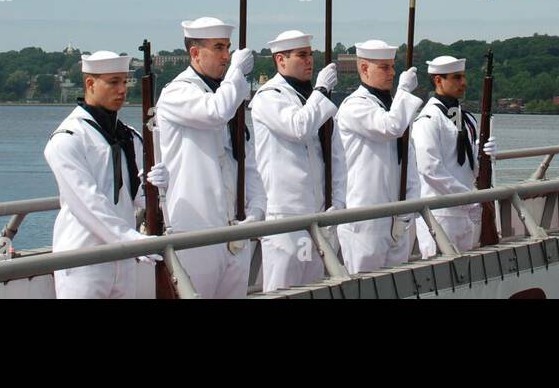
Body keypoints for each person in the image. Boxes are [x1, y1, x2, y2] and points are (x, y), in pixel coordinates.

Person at [151, 16, 265, 298]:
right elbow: (214, 113)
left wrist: (258, 207)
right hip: (195, 230)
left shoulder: (228, 95)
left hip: (233, 229)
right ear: (195, 53)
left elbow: (245, 160)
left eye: (228, 48)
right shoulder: (178, 92)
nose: (227, 56)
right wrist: (237, 74)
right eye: (218, 48)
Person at [44, 50, 156, 298]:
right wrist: (129, 239)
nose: (122, 90)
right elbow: (87, 201)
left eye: (124, 81)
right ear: (90, 84)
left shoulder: (128, 136)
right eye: (113, 82)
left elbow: (139, 196)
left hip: (123, 258)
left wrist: (160, 187)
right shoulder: (67, 139)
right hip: (83, 258)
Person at [250, 29, 345, 292]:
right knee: (283, 290)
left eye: (310, 55)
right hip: (285, 215)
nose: (309, 61)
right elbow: (298, 126)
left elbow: (335, 156)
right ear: (281, 60)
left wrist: (338, 201)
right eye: (301, 55)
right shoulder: (269, 96)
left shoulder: (313, 99)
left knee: (313, 290)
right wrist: (322, 89)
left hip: (318, 213)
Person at [335, 39, 423, 274]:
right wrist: (404, 92)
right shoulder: (355, 105)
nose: (392, 73)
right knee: (365, 286)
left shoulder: (392, 107)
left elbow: (408, 157)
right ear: (364, 68)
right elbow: (389, 128)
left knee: (397, 286)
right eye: (384, 67)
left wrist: (411, 202)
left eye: (393, 67)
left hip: (396, 215)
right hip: (365, 216)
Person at [410, 55, 497, 258]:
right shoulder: (428, 119)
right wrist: (467, 198)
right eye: (456, 77)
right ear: (438, 80)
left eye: (463, 77)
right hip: (440, 212)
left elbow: (471, 165)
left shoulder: (466, 119)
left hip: (465, 211)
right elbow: (430, 169)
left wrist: (487, 157)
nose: (463, 83)